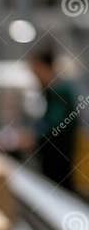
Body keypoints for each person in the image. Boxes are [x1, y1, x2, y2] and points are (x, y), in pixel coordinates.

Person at [28, 48, 80, 191]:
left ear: (43, 67)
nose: (34, 76)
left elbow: (55, 124)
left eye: (35, 71)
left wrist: (34, 137)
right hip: (54, 157)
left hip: (59, 158)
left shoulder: (59, 90)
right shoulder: (53, 90)